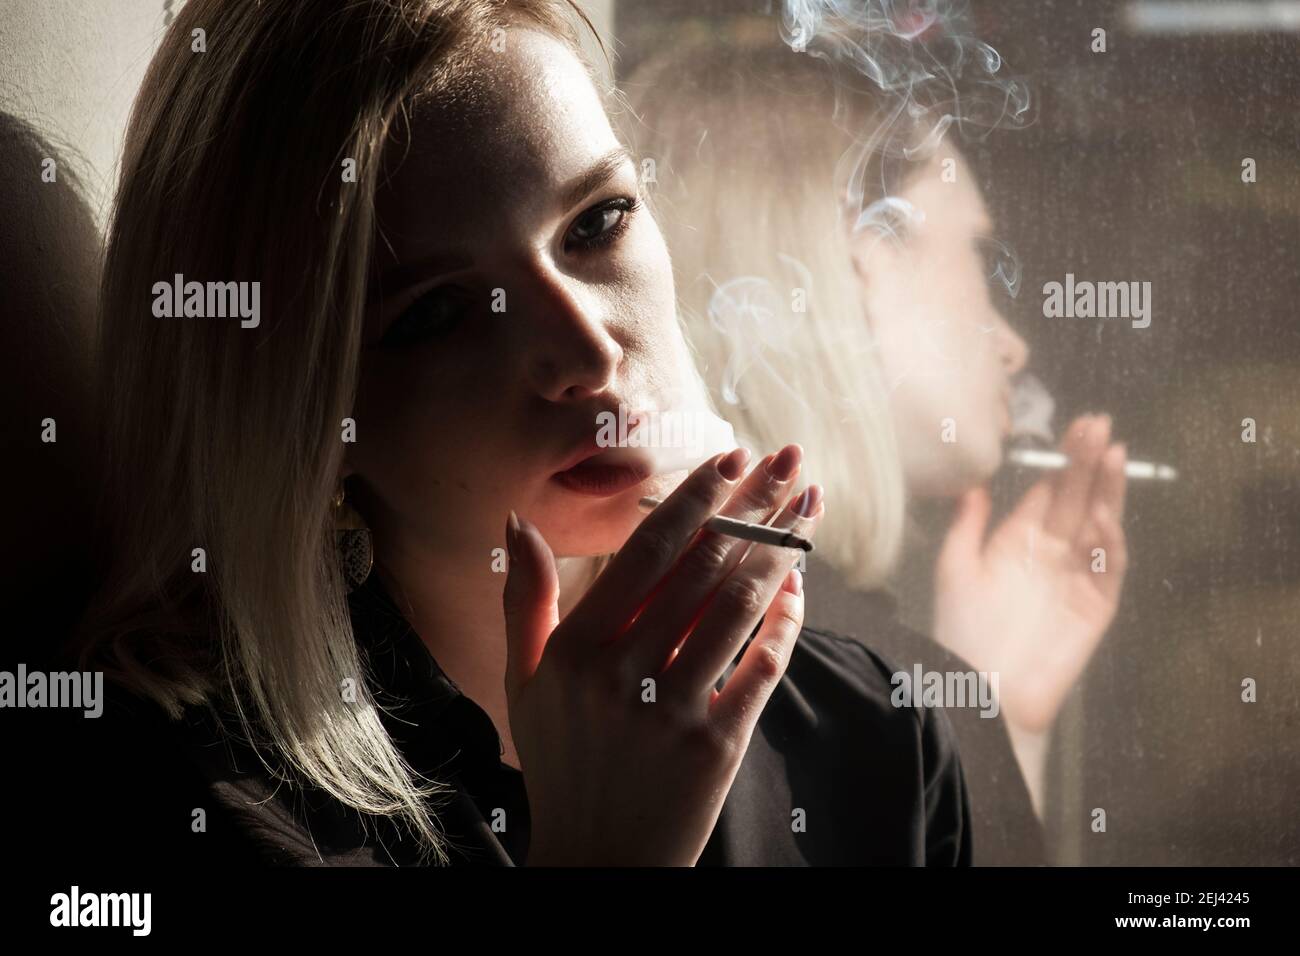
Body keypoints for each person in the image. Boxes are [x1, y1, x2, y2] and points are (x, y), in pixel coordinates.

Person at [53, 0, 972, 867]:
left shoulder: (873, 740)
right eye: (440, 310)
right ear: (301, 411)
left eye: (597, 222)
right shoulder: (170, 801)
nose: (585, 348)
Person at [625, 33, 1128, 862]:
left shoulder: (615, 657)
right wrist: (960, 716)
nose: (1014, 348)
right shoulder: (867, 694)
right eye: (977, 251)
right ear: (861, 257)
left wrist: (993, 709)